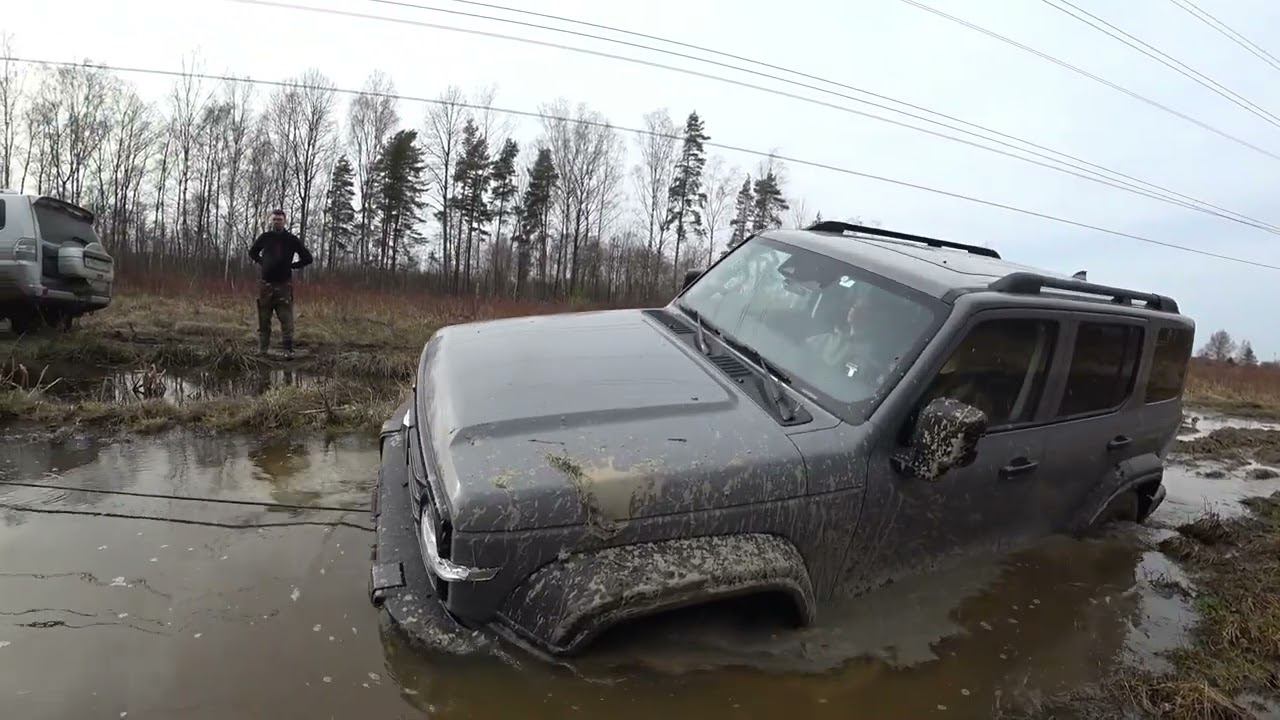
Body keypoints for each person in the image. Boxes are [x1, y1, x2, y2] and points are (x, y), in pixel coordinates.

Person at [249, 209, 312, 357]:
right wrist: (263, 262)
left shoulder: (291, 239)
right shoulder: (265, 237)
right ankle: (263, 350)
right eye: (275, 219)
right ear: (271, 221)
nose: (277, 222)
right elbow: (252, 252)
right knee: (264, 320)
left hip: (284, 285)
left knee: (286, 320)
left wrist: (292, 266)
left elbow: (308, 258)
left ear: (285, 221)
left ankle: (288, 351)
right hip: (266, 285)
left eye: (280, 220)